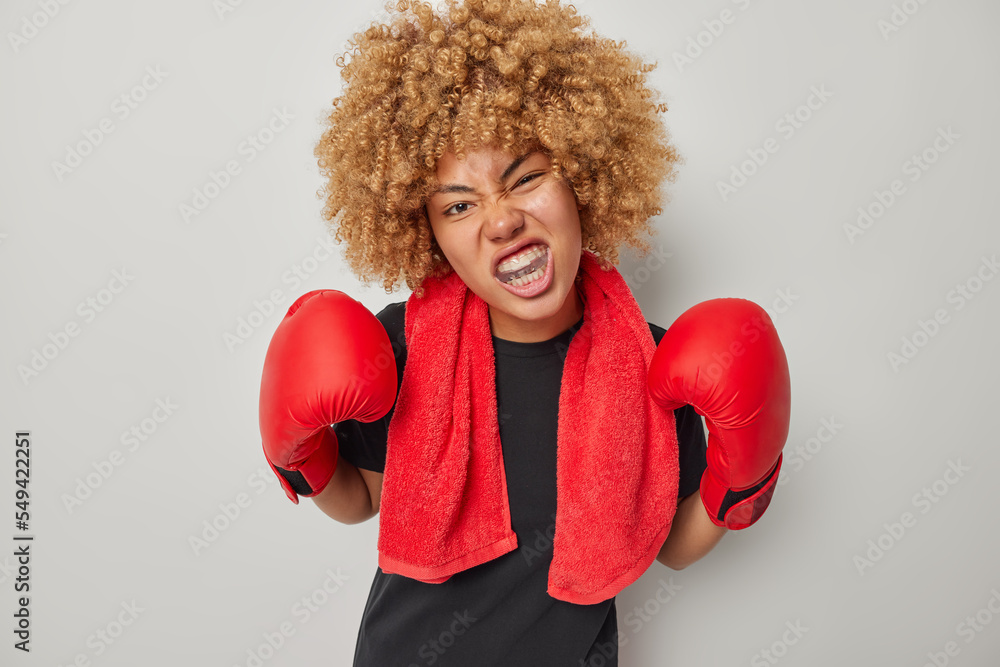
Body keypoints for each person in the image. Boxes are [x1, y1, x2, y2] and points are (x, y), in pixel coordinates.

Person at [257, 1, 790, 665]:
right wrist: (300, 456)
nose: (502, 220)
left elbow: (671, 544)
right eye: (459, 204)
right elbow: (361, 498)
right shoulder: (404, 345)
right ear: (429, 236)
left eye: (527, 178)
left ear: (582, 177)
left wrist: (741, 479)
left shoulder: (653, 363)